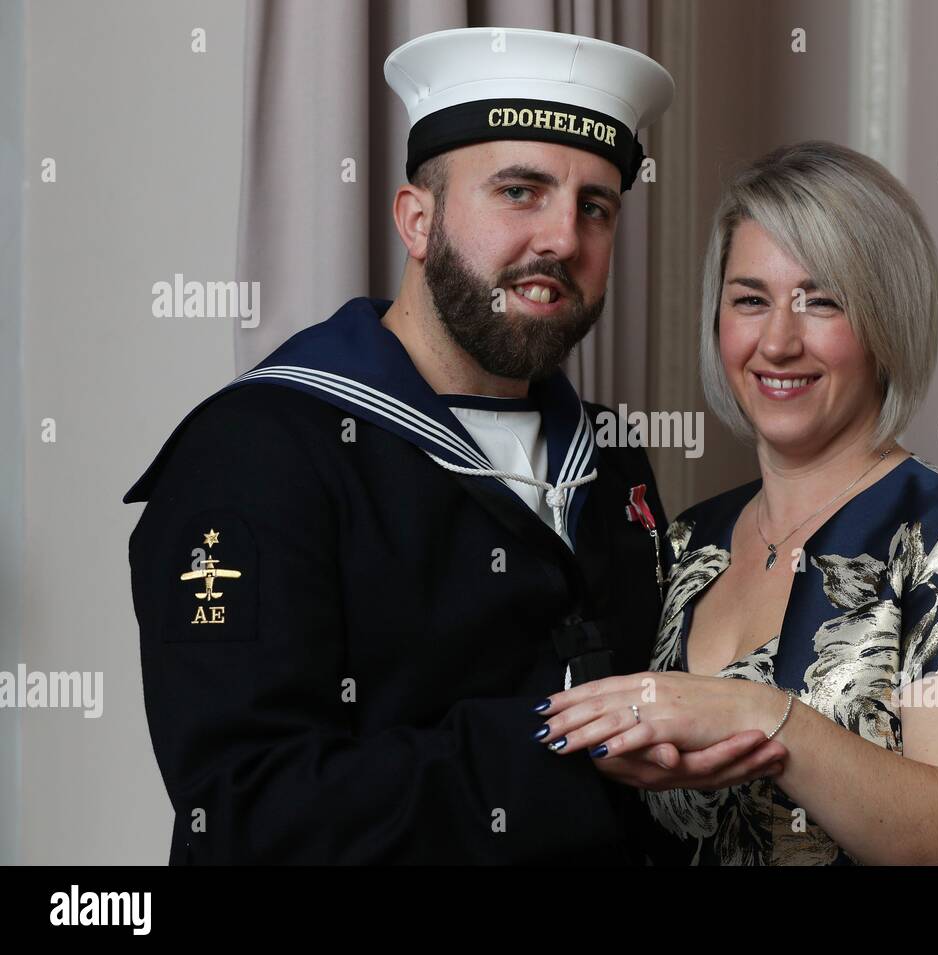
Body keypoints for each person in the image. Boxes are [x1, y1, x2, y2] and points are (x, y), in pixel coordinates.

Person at [123, 27, 785, 865]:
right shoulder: (255, 453)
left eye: (595, 206)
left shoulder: (614, 457)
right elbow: (248, 811)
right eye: (519, 191)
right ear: (418, 218)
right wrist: (564, 742)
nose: (560, 239)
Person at [533, 141, 938, 865]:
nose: (778, 341)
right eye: (750, 299)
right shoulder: (685, 542)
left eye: (821, 300)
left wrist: (766, 718)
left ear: (887, 320)